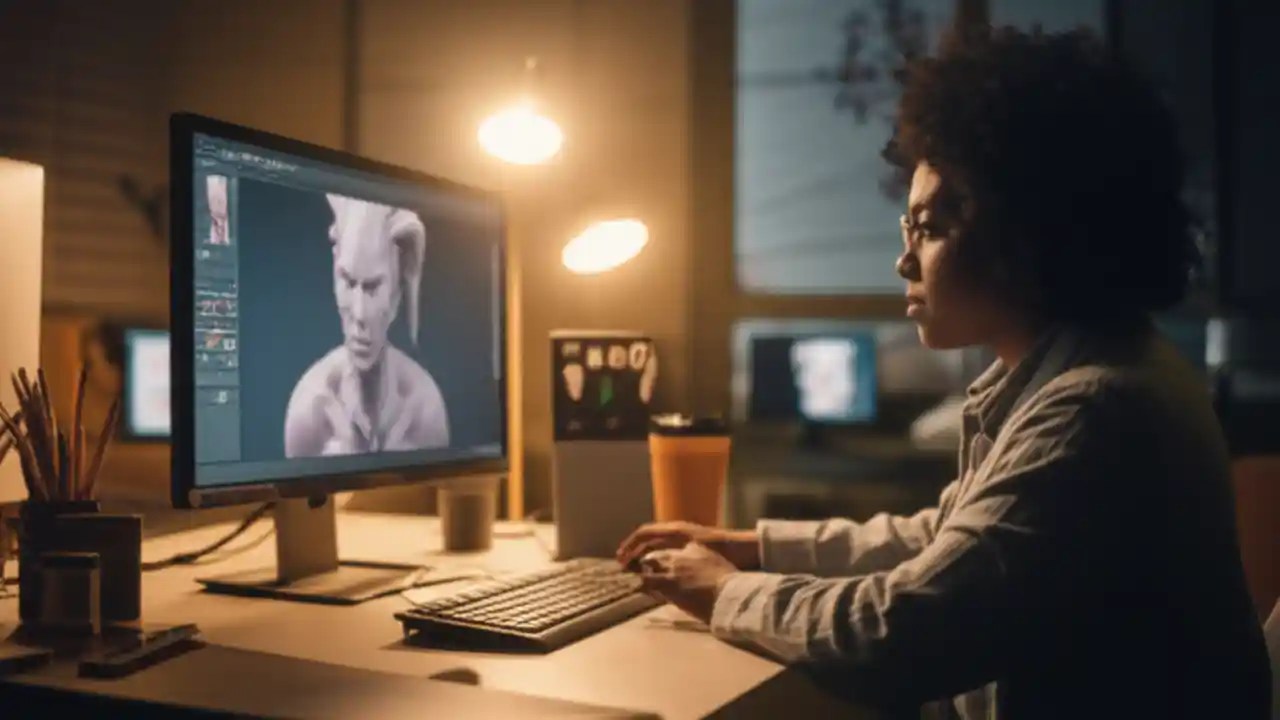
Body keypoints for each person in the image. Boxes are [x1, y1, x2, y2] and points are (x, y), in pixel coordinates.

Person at [618, 26, 1271, 719]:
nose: (905, 263)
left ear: (1027, 229)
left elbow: (897, 635)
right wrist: (752, 547)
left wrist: (723, 590)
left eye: (928, 228)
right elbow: (949, 541)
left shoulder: (1096, 410)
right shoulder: (1099, 368)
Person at [284, 193, 449, 457]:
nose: (360, 314)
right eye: (348, 282)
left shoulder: (424, 407)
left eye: (373, 287)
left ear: (396, 294)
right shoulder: (310, 411)